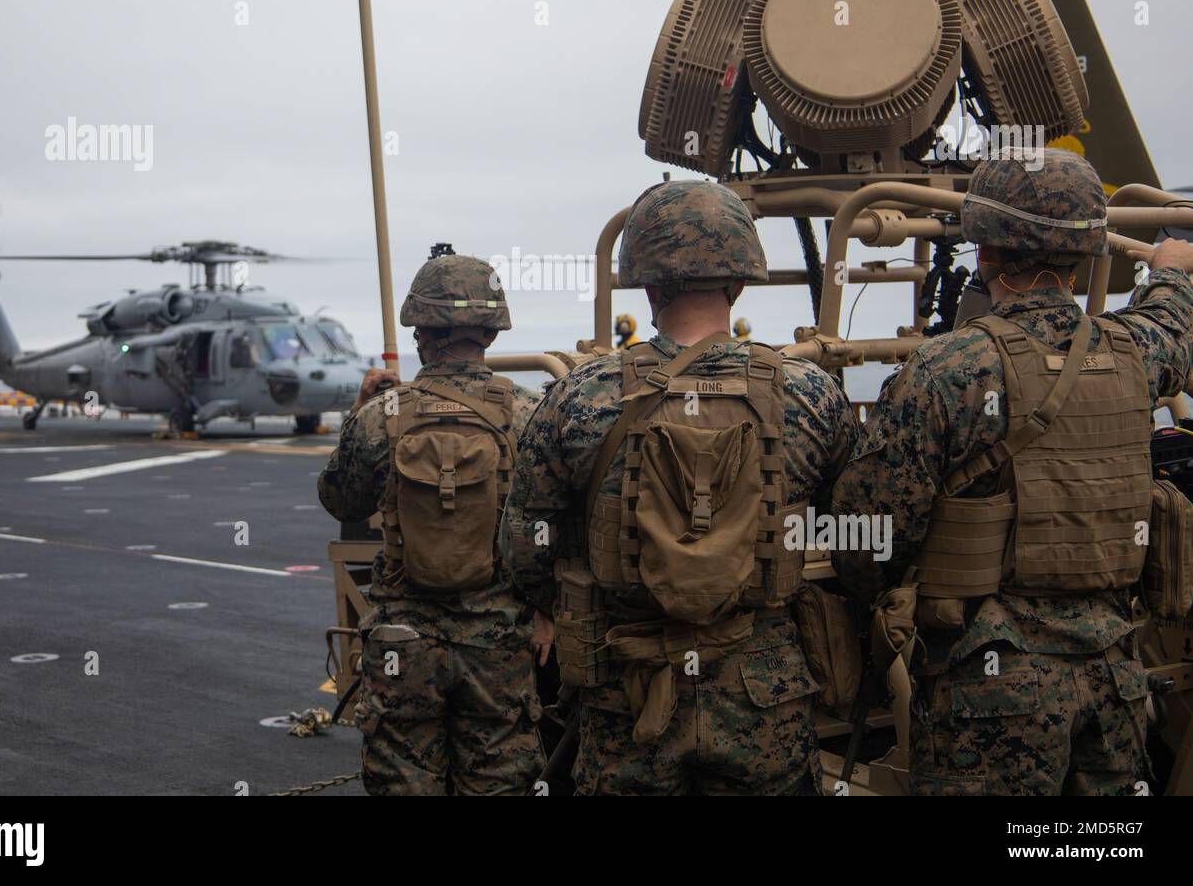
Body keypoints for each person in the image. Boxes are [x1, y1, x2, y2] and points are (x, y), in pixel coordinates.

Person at [832, 149, 1193, 795]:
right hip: (1116, 677)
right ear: (1085, 254)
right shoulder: (1135, 354)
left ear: (986, 252)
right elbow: (1170, 324)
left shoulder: (945, 368)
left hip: (987, 686)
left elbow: (870, 539)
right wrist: (1169, 272)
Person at [502, 180, 859, 794]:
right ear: (740, 282)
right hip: (764, 691)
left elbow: (525, 546)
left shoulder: (581, 395)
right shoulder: (809, 393)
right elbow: (854, 522)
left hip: (626, 697)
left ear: (648, 285)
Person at [318, 248, 545, 795]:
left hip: (405, 640)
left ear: (420, 331)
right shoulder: (531, 413)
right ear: (490, 333)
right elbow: (554, 526)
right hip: (498, 640)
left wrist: (359, 410)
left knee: (403, 782)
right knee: (499, 782)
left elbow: (341, 500)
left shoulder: (381, 416)